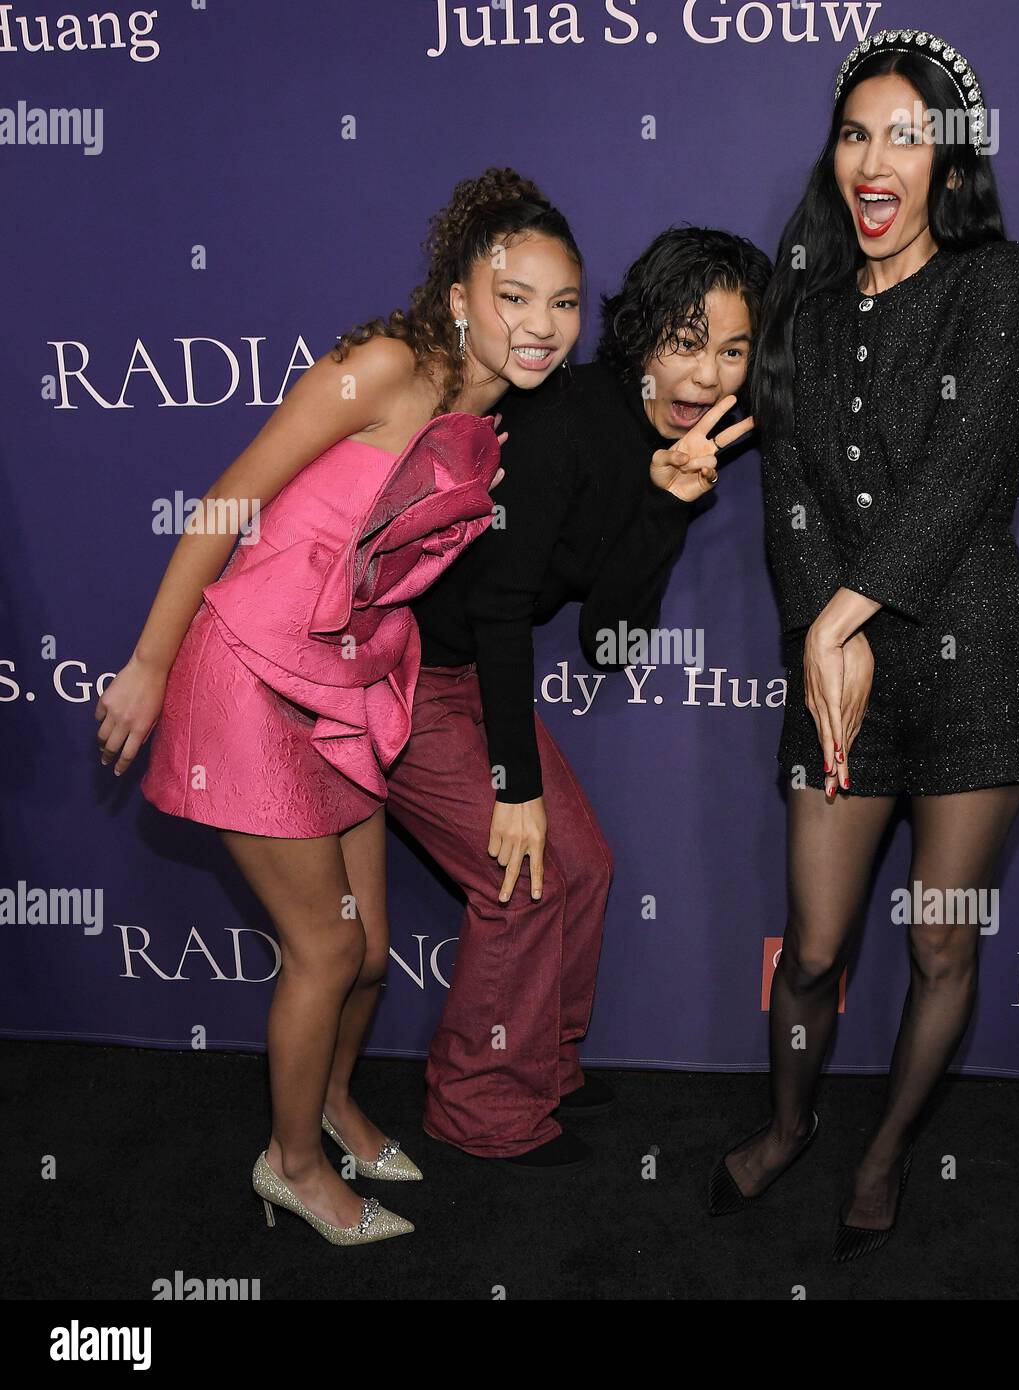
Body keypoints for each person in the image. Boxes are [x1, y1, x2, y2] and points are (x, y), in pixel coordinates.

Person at [94, 166, 581, 1244]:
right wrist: (147, 663)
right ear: (461, 295)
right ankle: (292, 1163)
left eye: (561, 302)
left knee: (366, 948)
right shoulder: (387, 370)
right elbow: (229, 500)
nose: (540, 325)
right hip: (249, 675)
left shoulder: (493, 419)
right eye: (514, 296)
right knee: (323, 948)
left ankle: (334, 1104)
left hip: (349, 685)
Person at [708, 29, 1019, 1261]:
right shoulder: (798, 310)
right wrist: (821, 632)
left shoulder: (998, 279)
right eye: (856, 131)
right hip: (837, 664)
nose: (875, 158)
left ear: (947, 161)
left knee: (938, 938)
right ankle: (791, 1124)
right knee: (810, 948)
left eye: (906, 135)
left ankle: (884, 1148)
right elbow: (788, 491)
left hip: (978, 660)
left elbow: (966, 474)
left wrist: (849, 610)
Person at [388, 227, 772, 1170]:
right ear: (642, 337)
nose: (709, 375)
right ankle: (480, 1107)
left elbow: (610, 638)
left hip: (476, 674)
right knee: (521, 879)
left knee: (584, 864)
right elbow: (500, 606)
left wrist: (667, 504)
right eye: (686, 342)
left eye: (732, 350)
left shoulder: (670, 446)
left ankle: (542, 1065)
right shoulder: (569, 420)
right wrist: (515, 785)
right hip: (396, 677)